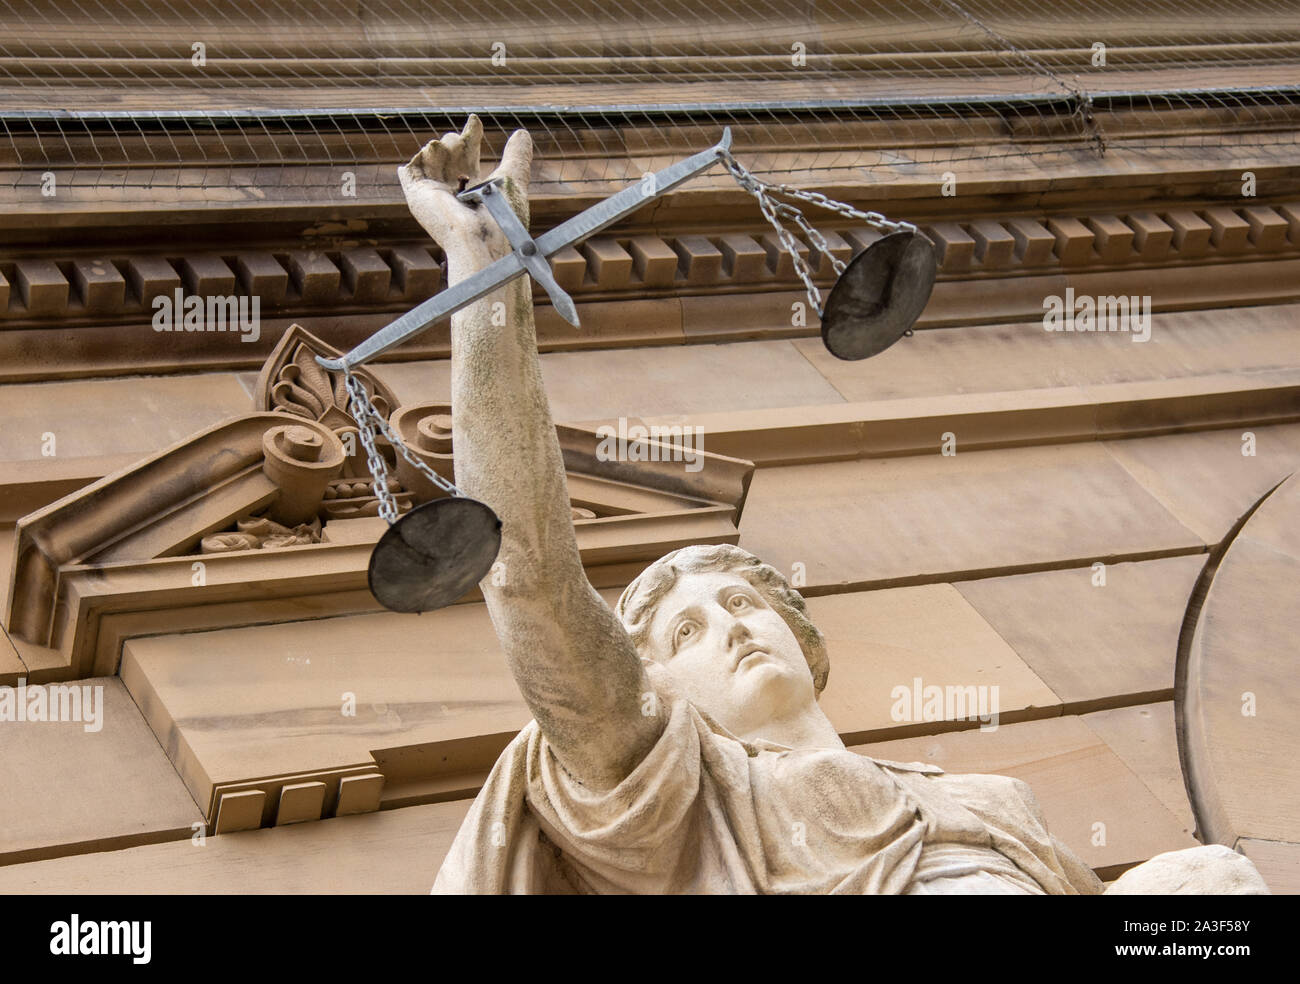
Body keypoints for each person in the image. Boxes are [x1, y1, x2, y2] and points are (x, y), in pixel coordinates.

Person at [402, 117, 1180, 894]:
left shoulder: (994, 802)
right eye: (687, 631)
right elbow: (528, 576)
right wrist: (485, 269)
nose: (733, 625)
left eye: (740, 599)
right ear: (658, 686)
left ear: (803, 635)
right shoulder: (685, 789)